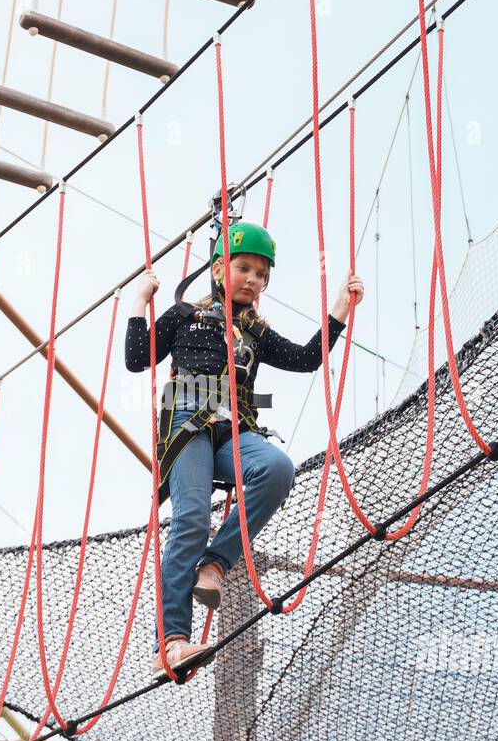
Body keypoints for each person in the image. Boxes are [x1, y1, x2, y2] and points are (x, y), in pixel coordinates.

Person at [124, 221, 364, 679]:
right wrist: (140, 300)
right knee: (191, 516)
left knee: (277, 467)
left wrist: (340, 308)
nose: (253, 280)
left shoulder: (254, 333)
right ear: (219, 269)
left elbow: (305, 358)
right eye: (244, 269)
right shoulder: (183, 317)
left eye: (261, 275)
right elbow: (138, 358)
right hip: (187, 424)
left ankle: (214, 564)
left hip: (233, 426)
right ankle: (171, 642)